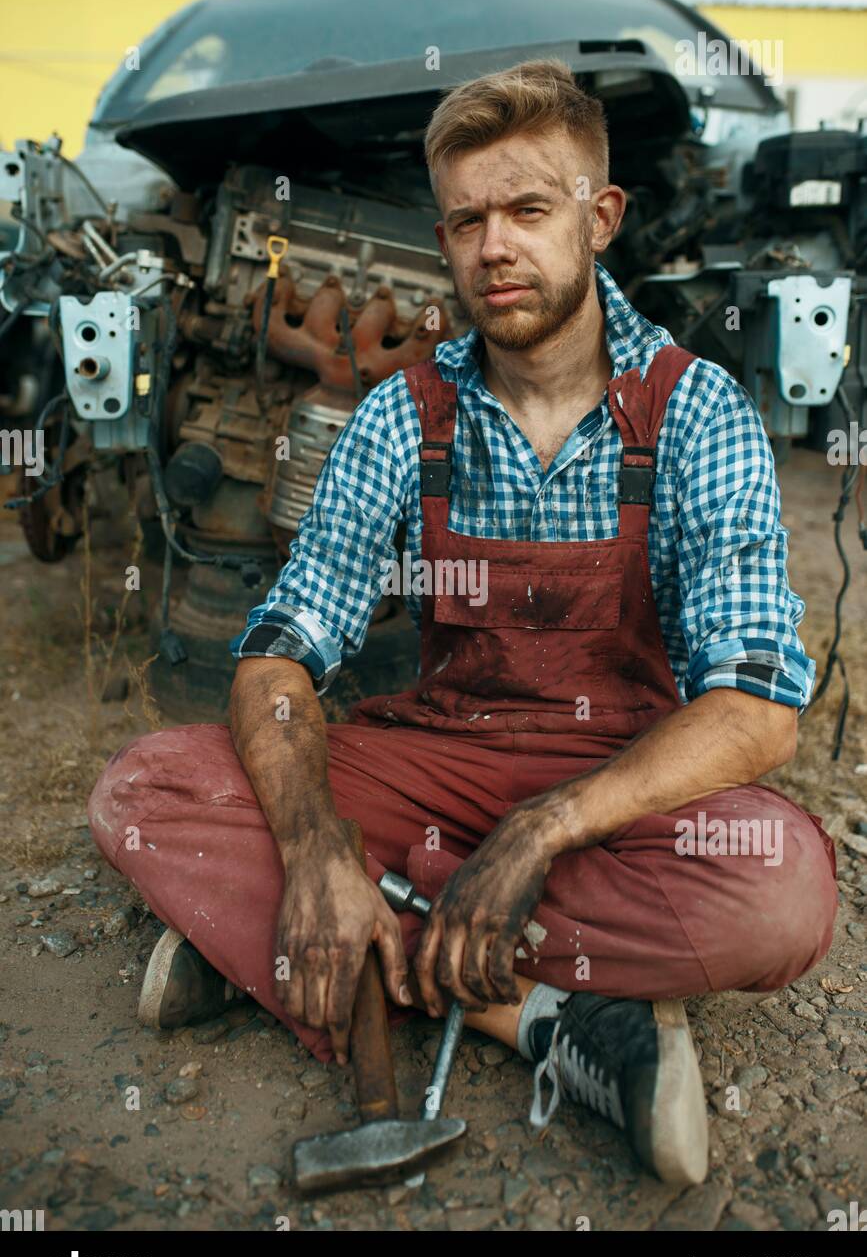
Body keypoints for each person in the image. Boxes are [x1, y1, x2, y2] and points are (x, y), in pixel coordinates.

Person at [88, 60, 837, 1186]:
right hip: (439, 758)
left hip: (615, 779)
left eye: (530, 210)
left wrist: (539, 834)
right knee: (145, 789)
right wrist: (312, 845)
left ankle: (297, 950)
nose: (495, 247)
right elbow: (284, 647)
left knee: (777, 885)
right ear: (442, 238)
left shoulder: (694, 409)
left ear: (601, 217)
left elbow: (757, 710)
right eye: (468, 219)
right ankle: (549, 1020)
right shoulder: (405, 412)